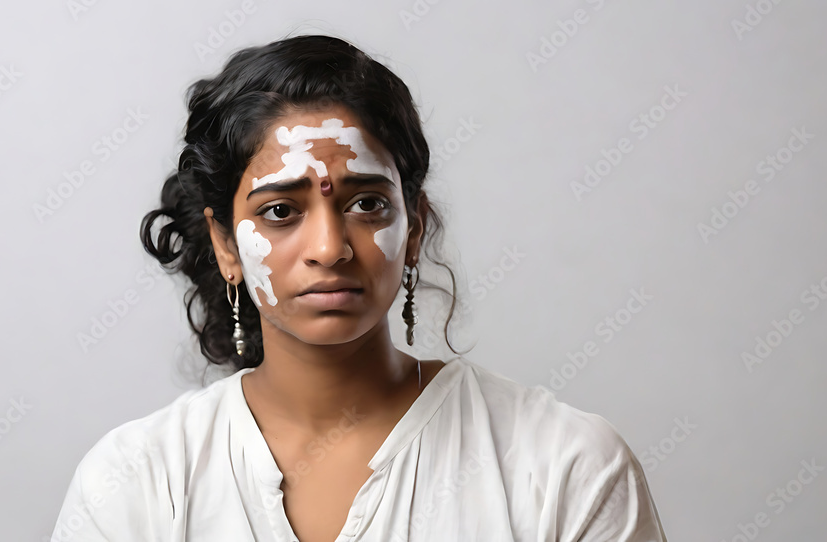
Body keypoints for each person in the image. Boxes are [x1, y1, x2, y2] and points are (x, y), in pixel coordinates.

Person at [50, 34, 667, 542]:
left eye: (367, 203)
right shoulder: (136, 481)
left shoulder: (566, 467)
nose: (329, 248)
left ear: (415, 226)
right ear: (225, 246)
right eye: (280, 212)